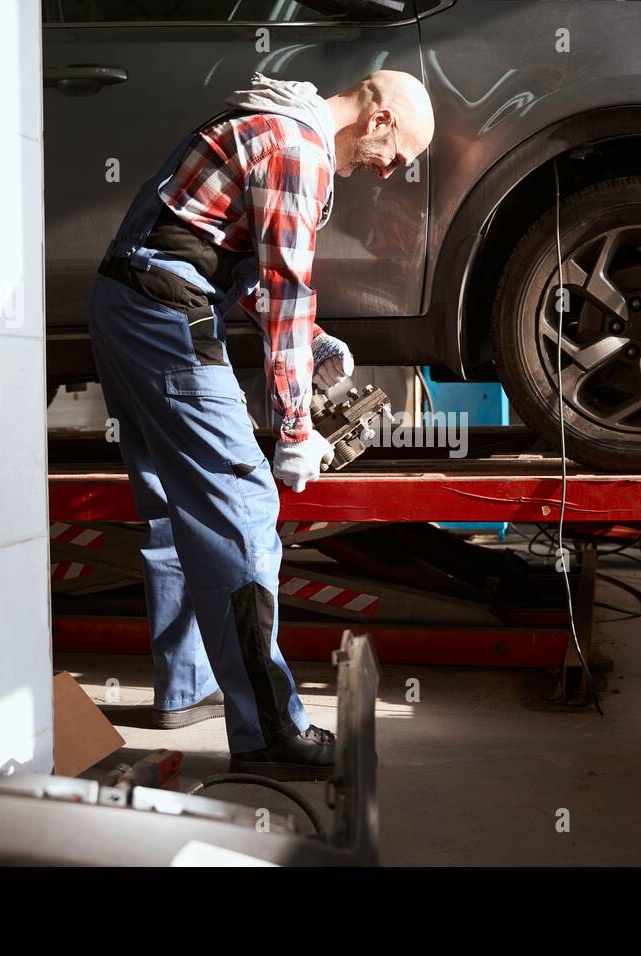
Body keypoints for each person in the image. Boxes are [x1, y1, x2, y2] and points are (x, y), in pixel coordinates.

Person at [87, 70, 435, 780]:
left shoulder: (267, 123)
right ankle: (270, 731)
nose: (391, 170)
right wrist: (295, 427)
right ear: (377, 119)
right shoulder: (296, 149)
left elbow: (224, 255)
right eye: (398, 152)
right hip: (163, 314)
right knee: (243, 509)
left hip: (123, 304)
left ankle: (189, 688)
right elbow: (284, 291)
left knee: (175, 505)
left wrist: (313, 345)